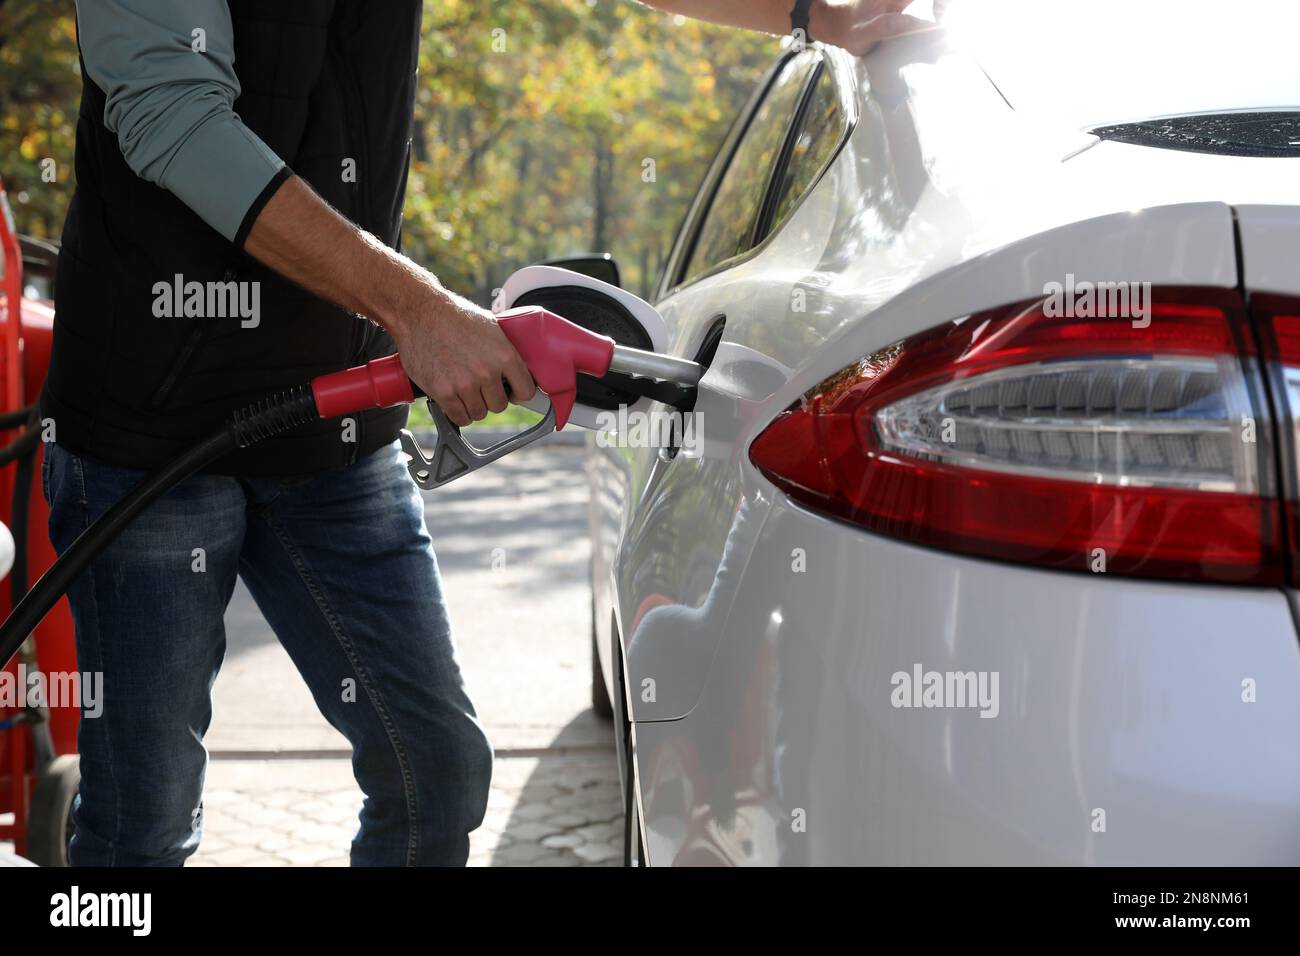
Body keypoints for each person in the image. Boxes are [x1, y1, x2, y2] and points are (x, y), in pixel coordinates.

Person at [44, 0, 921, 867]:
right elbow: (171, 113)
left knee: (436, 773)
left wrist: (811, 10)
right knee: (141, 816)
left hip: (335, 420)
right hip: (148, 415)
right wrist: (422, 314)